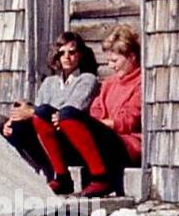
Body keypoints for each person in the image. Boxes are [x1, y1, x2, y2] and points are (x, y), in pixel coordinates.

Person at [45, 24, 143, 198]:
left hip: (126, 144)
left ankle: (101, 178)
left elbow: (128, 121)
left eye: (115, 61)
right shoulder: (109, 83)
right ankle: (61, 176)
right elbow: (95, 110)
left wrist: (102, 124)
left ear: (132, 57)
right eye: (109, 61)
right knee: (53, 116)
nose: (111, 66)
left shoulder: (140, 83)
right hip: (107, 136)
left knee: (69, 114)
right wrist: (99, 123)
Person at [0, 31, 100, 183]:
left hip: (67, 136)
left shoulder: (87, 79)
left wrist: (32, 112)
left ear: (80, 54)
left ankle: (55, 174)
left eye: (72, 52)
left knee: (42, 112)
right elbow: (36, 111)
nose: (67, 57)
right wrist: (15, 119)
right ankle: (30, 172)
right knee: (12, 126)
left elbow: (71, 111)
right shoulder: (50, 82)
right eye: (62, 53)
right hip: (43, 133)